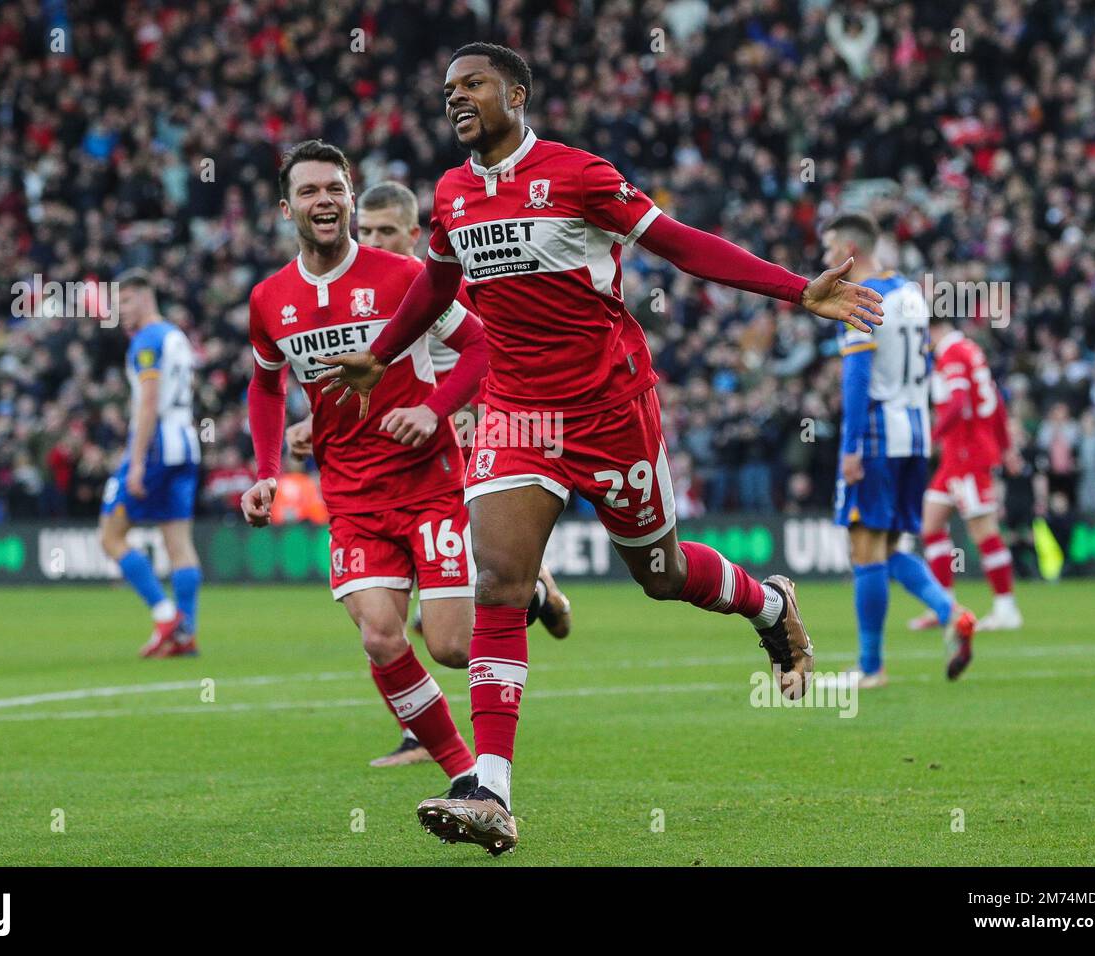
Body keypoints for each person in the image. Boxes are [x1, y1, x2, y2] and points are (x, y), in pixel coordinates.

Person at [316, 43, 885, 855]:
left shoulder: (580, 175)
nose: (456, 98)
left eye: (472, 84)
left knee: (660, 574)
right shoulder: (450, 195)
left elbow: (681, 244)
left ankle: (770, 604)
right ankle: (492, 790)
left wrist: (796, 288)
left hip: (610, 408)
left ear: (516, 92)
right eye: (447, 89)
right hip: (516, 414)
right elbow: (436, 286)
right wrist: (383, 348)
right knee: (501, 584)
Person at [284, 178, 573, 771]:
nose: (374, 240)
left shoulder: (444, 283)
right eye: (366, 230)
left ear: (416, 235)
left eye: (387, 231)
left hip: (467, 440)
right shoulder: (361, 292)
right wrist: (320, 425)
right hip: (400, 456)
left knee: (448, 630)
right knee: (387, 623)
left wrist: (462, 414)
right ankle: (425, 730)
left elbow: (495, 352)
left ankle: (532, 590)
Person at [239, 140, 489, 790]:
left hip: (429, 482)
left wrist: (434, 411)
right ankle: (466, 777)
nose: (324, 201)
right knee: (380, 636)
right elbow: (266, 386)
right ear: (286, 206)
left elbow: (478, 346)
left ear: (351, 196)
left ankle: (522, 588)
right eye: (310, 191)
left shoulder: (404, 276)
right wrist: (266, 471)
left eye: (334, 188)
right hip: (351, 498)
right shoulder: (270, 299)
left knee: (452, 648)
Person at [821, 214, 976, 689]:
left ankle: (871, 668)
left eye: (830, 250)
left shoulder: (860, 297)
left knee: (864, 547)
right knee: (887, 548)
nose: (825, 261)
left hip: (875, 435)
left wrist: (849, 448)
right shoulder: (911, 292)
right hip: (915, 433)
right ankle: (952, 612)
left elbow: (858, 376)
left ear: (850, 247)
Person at [98, 270, 203, 658]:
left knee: (110, 536)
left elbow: (148, 401)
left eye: (126, 301)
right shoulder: (176, 335)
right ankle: (186, 634)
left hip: (157, 445)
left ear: (146, 296)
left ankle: (165, 616)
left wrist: (136, 461)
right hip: (186, 442)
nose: (121, 310)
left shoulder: (146, 340)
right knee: (179, 543)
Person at [912, 320, 1023, 631]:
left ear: (934, 329)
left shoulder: (952, 354)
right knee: (931, 523)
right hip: (957, 456)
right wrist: (1006, 446)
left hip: (966, 453)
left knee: (983, 530)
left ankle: (1006, 609)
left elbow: (959, 402)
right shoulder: (972, 350)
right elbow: (997, 400)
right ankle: (943, 605)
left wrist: (932, 435)